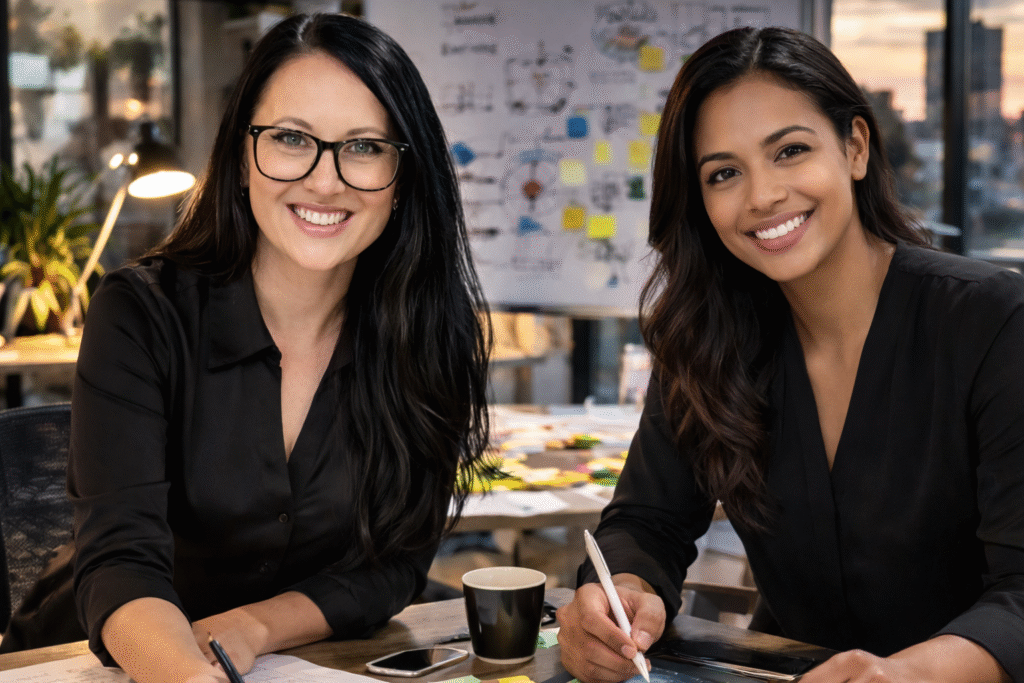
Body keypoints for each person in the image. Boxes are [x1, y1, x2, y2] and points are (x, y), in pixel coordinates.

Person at [0, 12, 491, 683]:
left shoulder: (429, 333)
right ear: (240, 155)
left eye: (365, 147)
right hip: (85, 665)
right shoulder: (141, 314)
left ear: (404, 178)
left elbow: (393, 566)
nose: (325, 180)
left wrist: (257, 623)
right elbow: (121, 562)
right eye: (291, 138)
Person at [557, 26, 1024, 683]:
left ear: (855, 147)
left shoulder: (993, 319)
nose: (762, 196)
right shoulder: (706, 337)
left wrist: (908, 674)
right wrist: (622, 590)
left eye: (789, 151)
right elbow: (647, 520)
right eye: (724, 173)